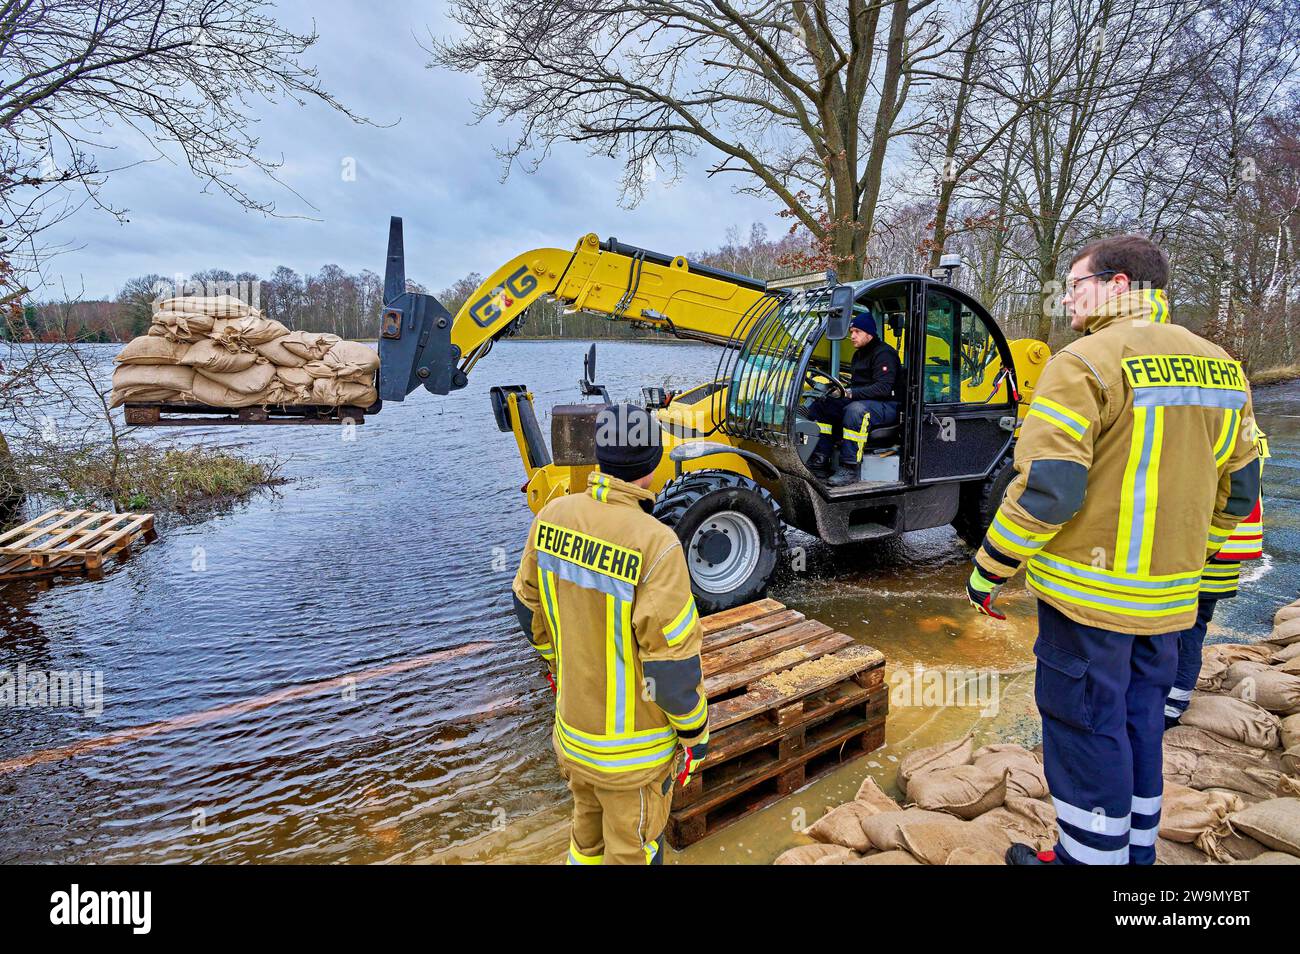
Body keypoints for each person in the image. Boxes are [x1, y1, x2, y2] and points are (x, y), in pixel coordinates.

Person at [962, 234, 1260, 866]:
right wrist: (1194, 556)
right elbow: (1240, 489)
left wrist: (990, 568)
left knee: (1084, 725)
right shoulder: (1222, 367)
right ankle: (1136, 854)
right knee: (1139, 720)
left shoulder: (1083, 363)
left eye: (1076, 285)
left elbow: (1050, 490)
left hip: (1089, 601)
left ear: (1119, 285)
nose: (1067, 298)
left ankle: (1086, 861)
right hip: (1170, 601)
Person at [511, 402, 709, 865]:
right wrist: (695, 733)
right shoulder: (656, 543)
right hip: (631, 759)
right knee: (633, 851)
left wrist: (554, 661)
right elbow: (670, 667)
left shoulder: (551, 517)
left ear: (599, 456)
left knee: (586, 844)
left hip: (573, 738)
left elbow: (525, 606)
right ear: (654, 462)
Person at [807, 306, 901, 485]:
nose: (852, 336)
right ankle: (820, 460)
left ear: (869, 334)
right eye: (851, 332)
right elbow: (857, 385)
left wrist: (851, 393)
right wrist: (840, 391)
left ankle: (850, 468)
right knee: (822, 406)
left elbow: (883, 388)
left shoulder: (884, 354)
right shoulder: (858, 355)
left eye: (857, 331)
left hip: (887, 405)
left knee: (855, 411)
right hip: (864, 401)